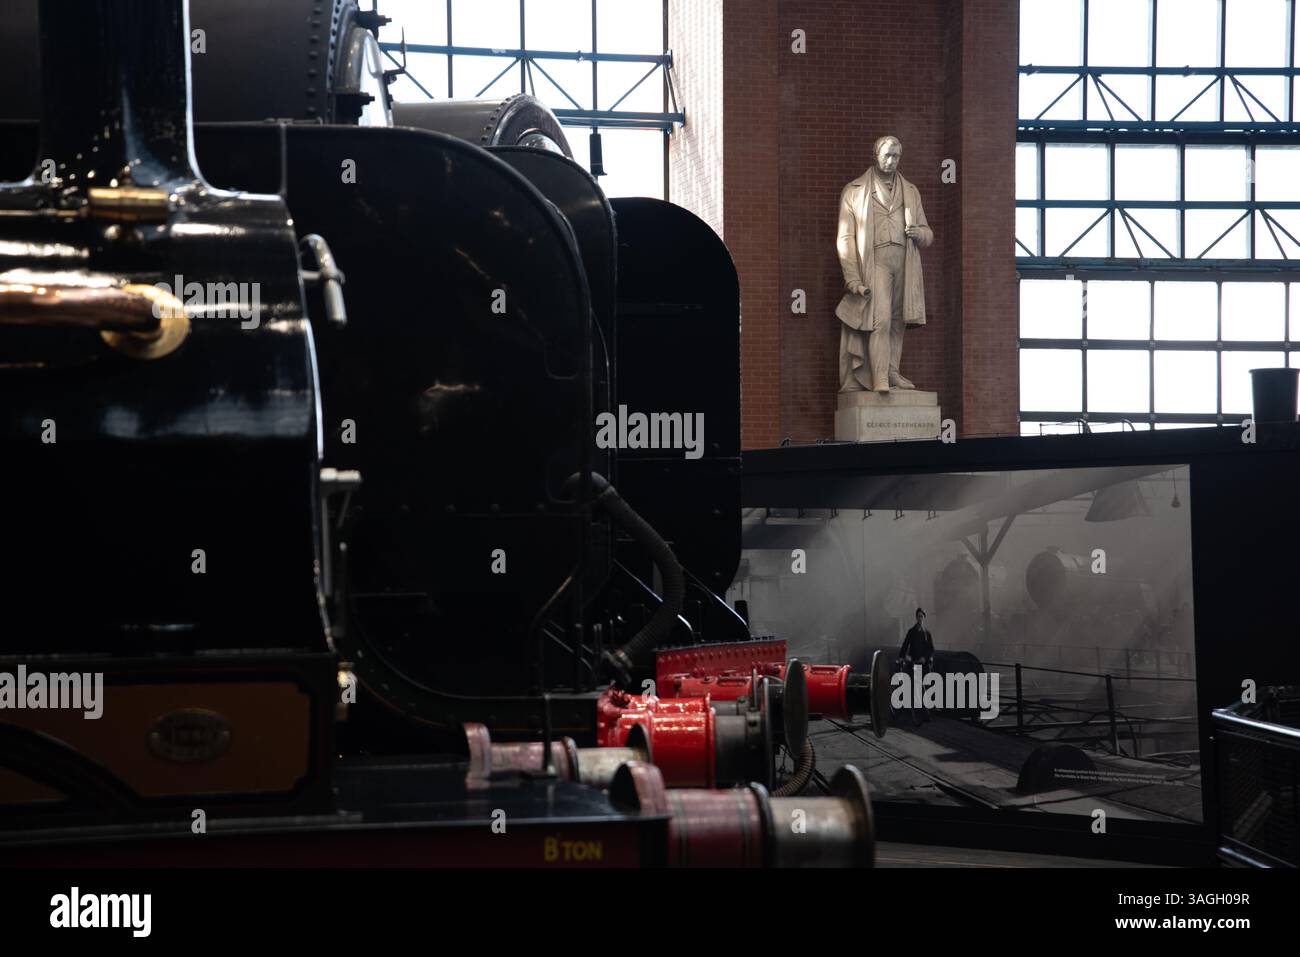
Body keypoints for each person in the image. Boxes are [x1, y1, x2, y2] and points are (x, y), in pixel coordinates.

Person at [835, 135, 934, 394]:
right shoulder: (854, 191)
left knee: (898, 319)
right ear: (876, 155)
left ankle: (892, 371)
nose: (891, 161)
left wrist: (919, 233)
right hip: (875, 261)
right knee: (881, 320)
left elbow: (928, 233)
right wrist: (852, 278)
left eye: (896, 156)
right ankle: (879, 377)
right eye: (887, 155)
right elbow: (845, 239)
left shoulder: (911, 191)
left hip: (904, 262)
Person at [897, 608, 935, 724]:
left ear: (924, 618)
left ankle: (921, 711)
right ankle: (925, 713)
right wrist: (902, 657)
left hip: (924, 665)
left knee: (922, 688)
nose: (920, 618)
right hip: (914, 664)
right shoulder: (911, 632)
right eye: (918, 616)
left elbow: (931, 649)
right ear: (916, 618)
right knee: (920, 687)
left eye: (921, 616)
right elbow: (905, 645)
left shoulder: (927, 633)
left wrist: (925, 658)